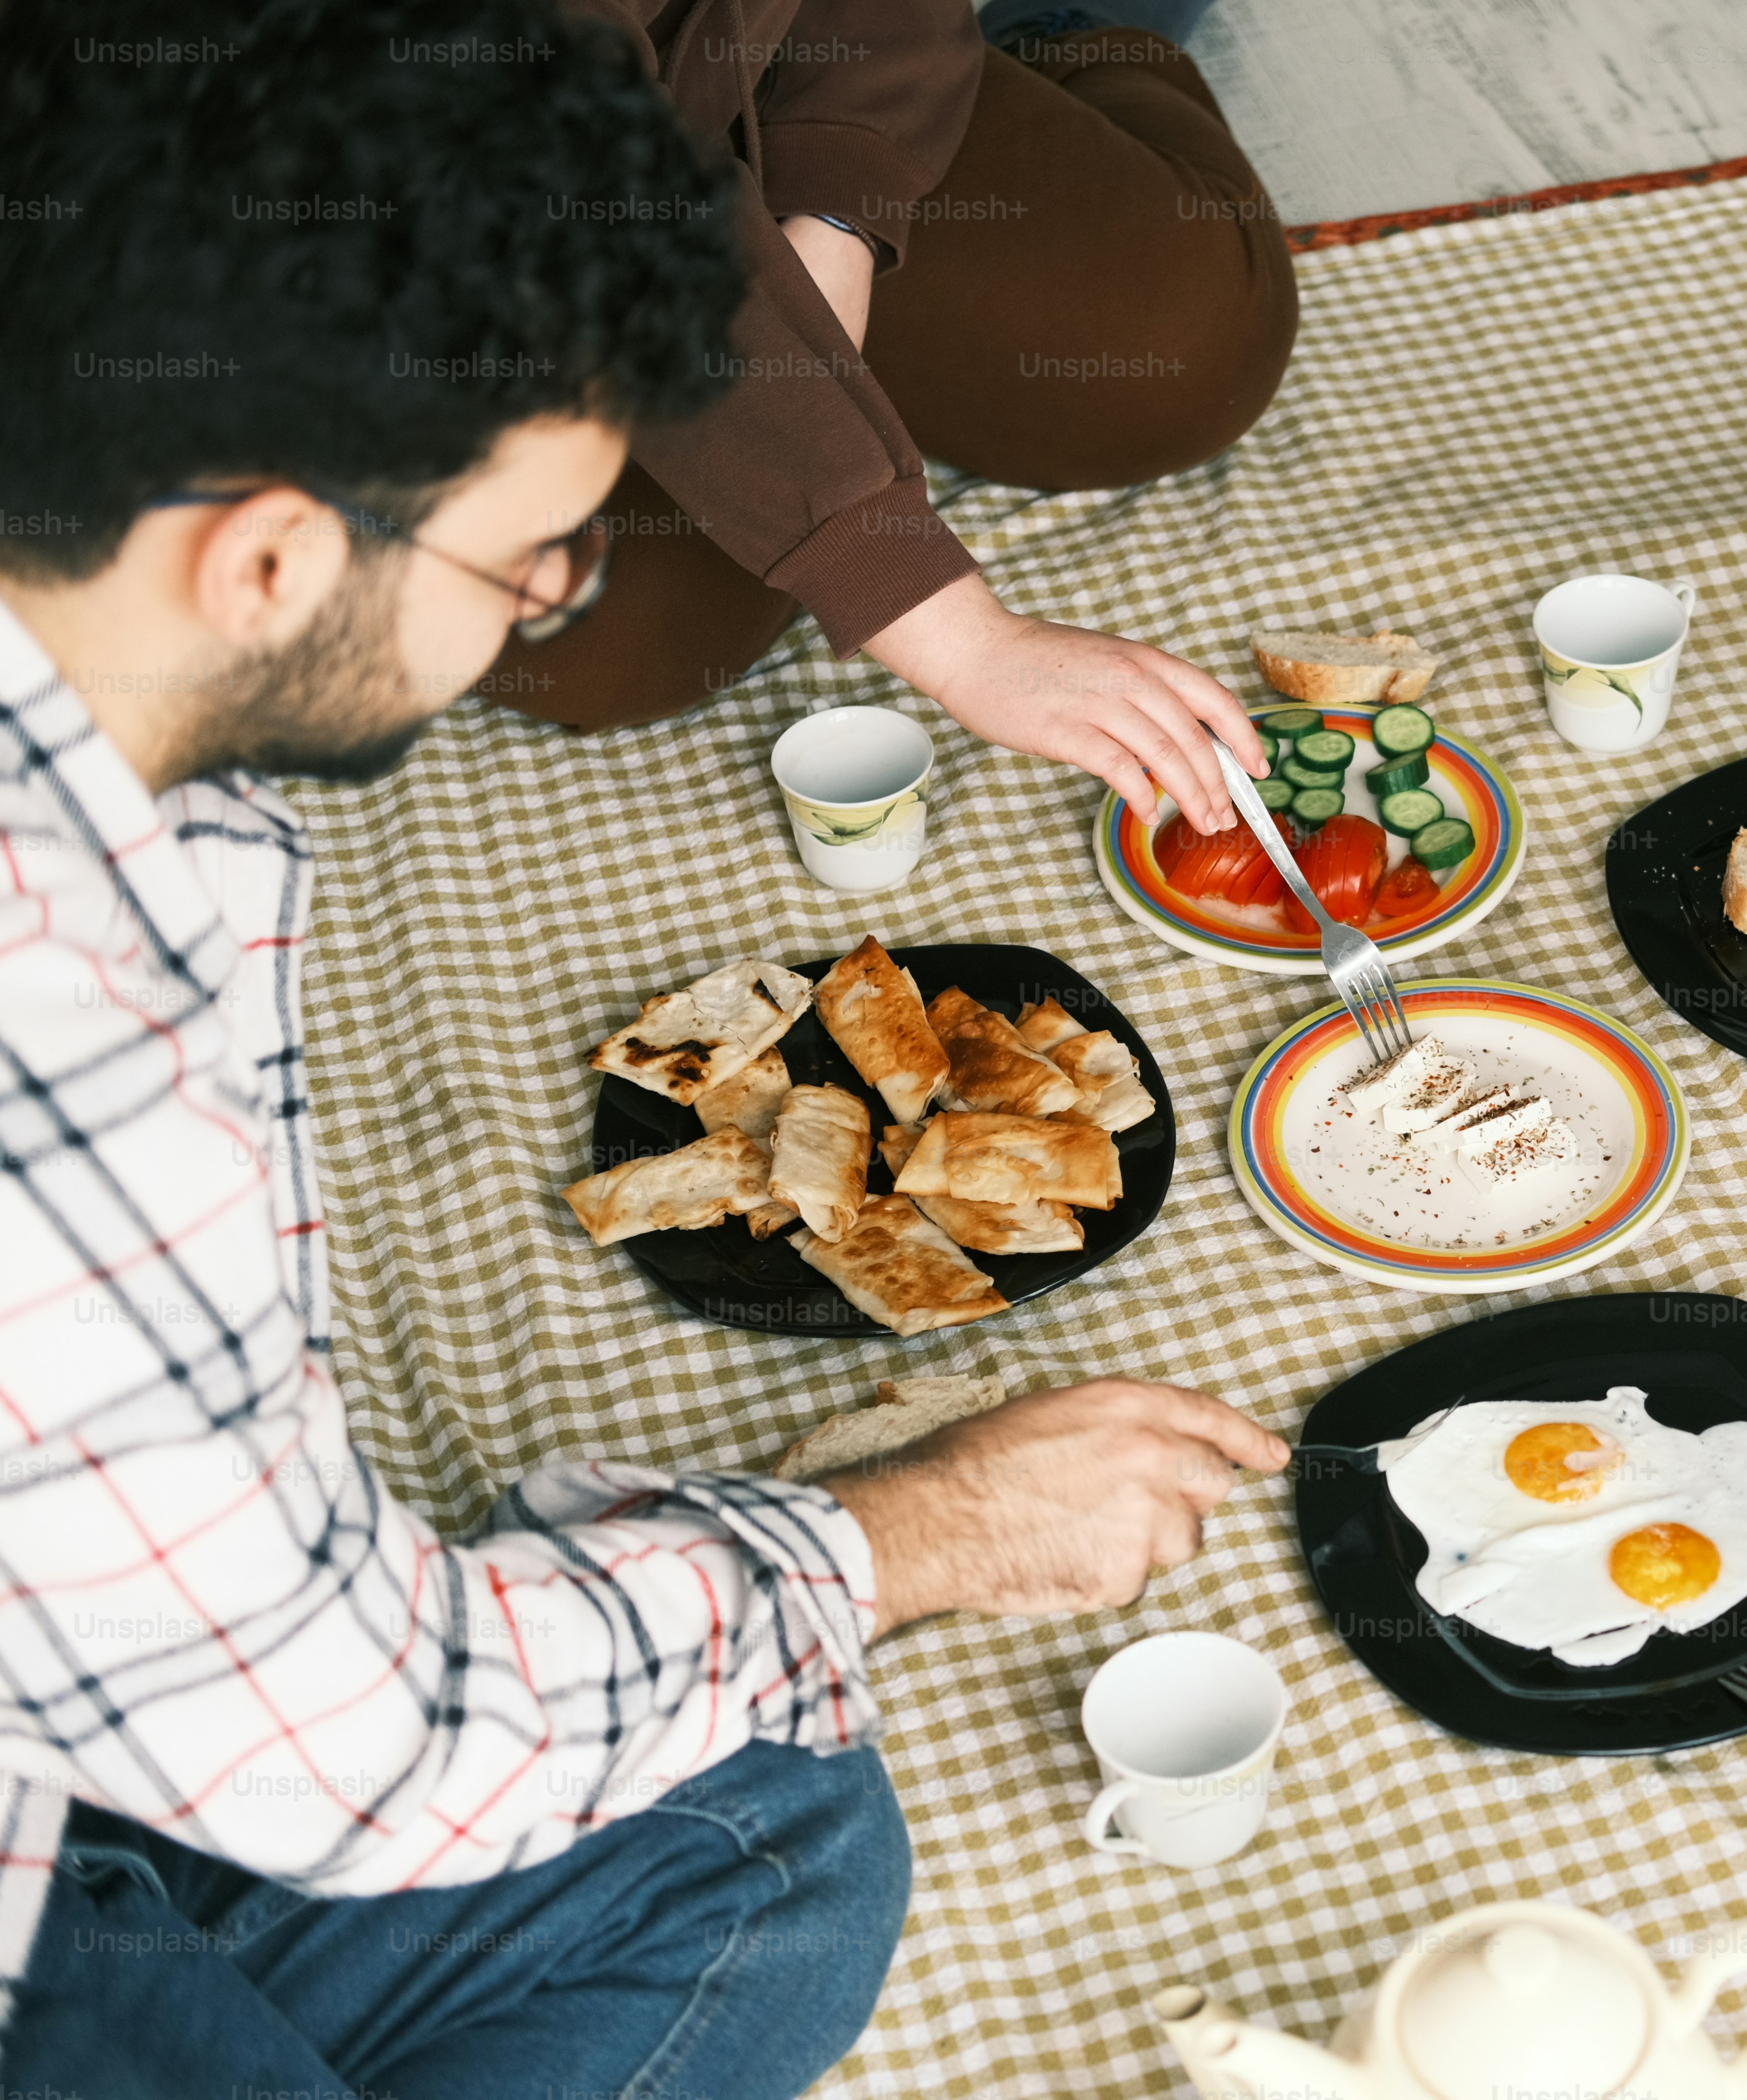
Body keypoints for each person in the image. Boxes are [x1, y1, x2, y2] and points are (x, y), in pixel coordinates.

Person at [0, 5, 1286, 2090]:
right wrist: (923, 1528)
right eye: (530, 558)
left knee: (757, 1830)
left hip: (101, 1732)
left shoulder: (132, 759)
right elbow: (369, 1744)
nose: (545, 604)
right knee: (711, 1800)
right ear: (265, 553)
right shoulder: (62, 1070)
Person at [490, 0, 1292, 839]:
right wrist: (954, 635)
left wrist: (840, 215)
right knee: (622, 645)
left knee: (1184, 349)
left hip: (773, 73)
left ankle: (1062, 24)